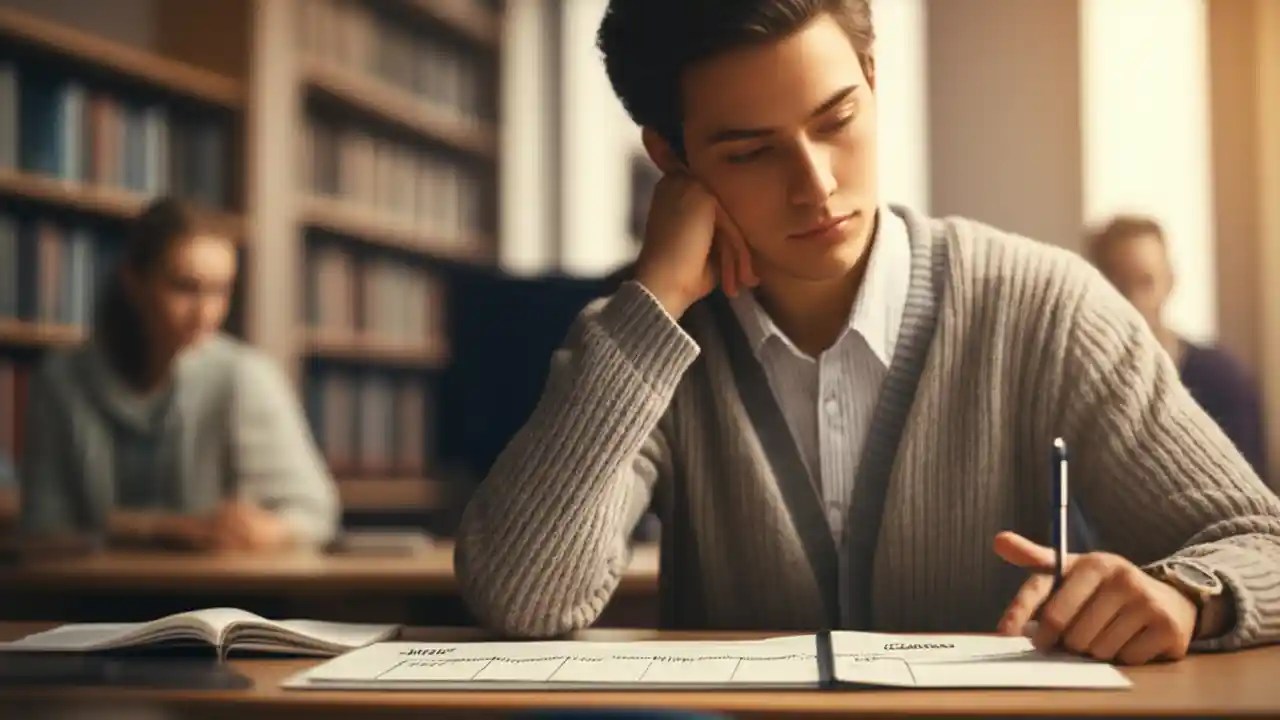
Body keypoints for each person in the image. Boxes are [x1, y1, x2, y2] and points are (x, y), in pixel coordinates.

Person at [455, 0, 1280, 666]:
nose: (816, 186)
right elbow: (524, 599)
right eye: (750, 153)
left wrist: (1190, 594)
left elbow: (1261, 544)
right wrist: (655, 299)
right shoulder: (643, 342)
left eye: (837, 119)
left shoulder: (1047, 305)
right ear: (673, 162)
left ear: (873, 80)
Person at [21, 198, 339, 552]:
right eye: (185, 287)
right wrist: (165, 528)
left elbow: (316, 511)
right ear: (135, 282)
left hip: (223, 596)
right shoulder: (62, 379)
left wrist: (271, 529)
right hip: (93, 598)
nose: (206, 312)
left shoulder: (244, 375)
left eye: (220, 290)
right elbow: (42, 530)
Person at [1089, 215, 1269, 483]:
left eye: (1146, 282)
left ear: (1170, 281)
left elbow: (1254, 496)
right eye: (1120, 286)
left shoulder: (1224, 380)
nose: (1133, 301)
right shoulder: (1086, 385)